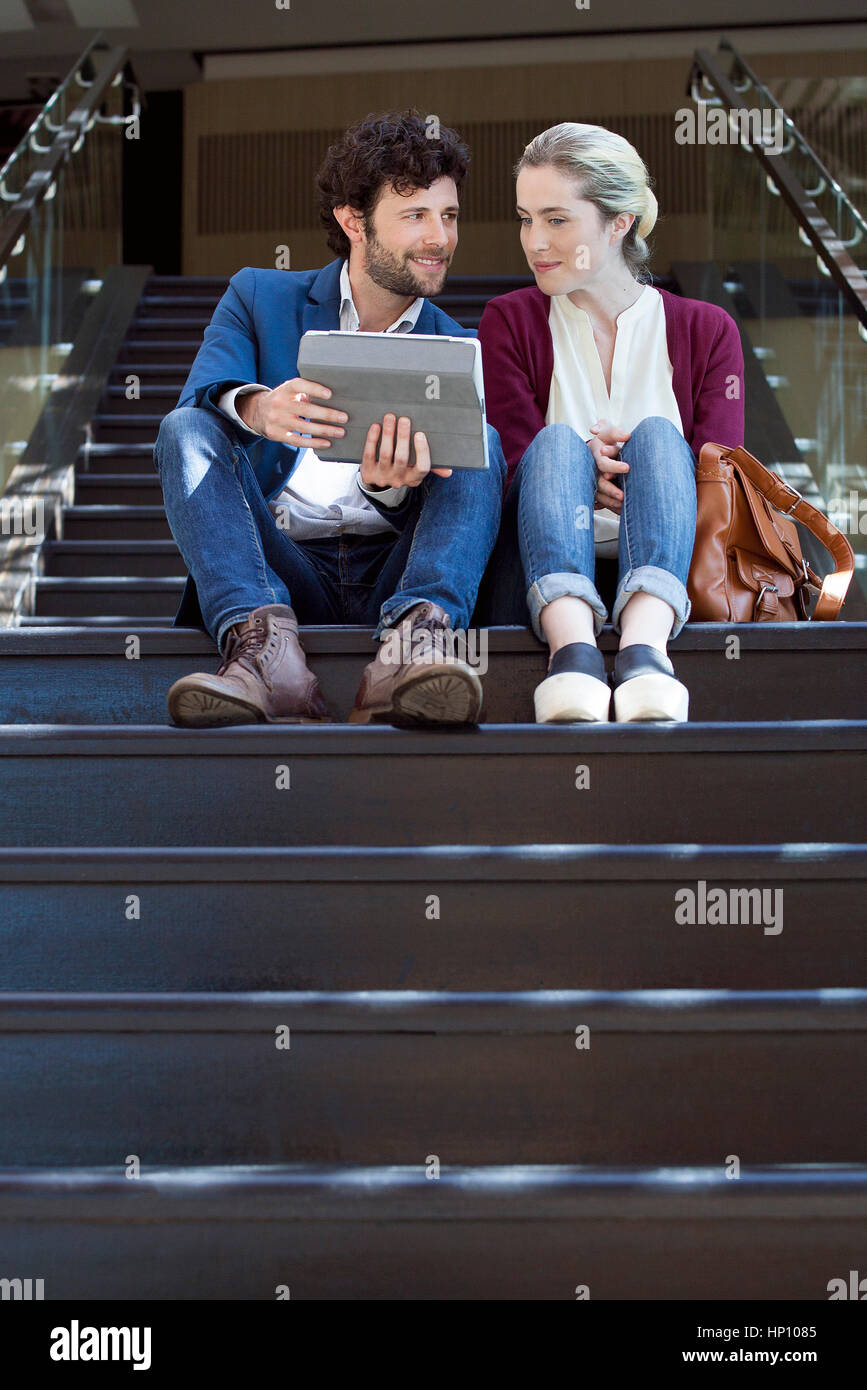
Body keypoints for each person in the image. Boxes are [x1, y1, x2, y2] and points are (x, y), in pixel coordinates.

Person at [154, 109, 506, 728]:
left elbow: (451, 501)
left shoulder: (455, 345)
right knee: (183, 429)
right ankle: (263, 653)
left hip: (391, 569)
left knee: (484, 440)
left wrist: (387, 488)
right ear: (353, 221)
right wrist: (260, 408)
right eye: (415, 215)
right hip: (279, 563)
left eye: (448, 216)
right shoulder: (259, 297)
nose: (441, 237)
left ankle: (416, 642)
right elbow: (200, 403)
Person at [477, 122, 744, 723]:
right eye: (525, 218)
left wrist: (648, 475)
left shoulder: (707, 330)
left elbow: (722, 477)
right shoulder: (509, 321)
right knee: (555, 446)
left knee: (656, 439)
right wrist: (574, 468)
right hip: (534, 575)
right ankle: (572, 649)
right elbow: (507, 463)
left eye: (557, 219)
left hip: (676, 574)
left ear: (619, 222)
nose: (535, 241)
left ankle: (645, 649)